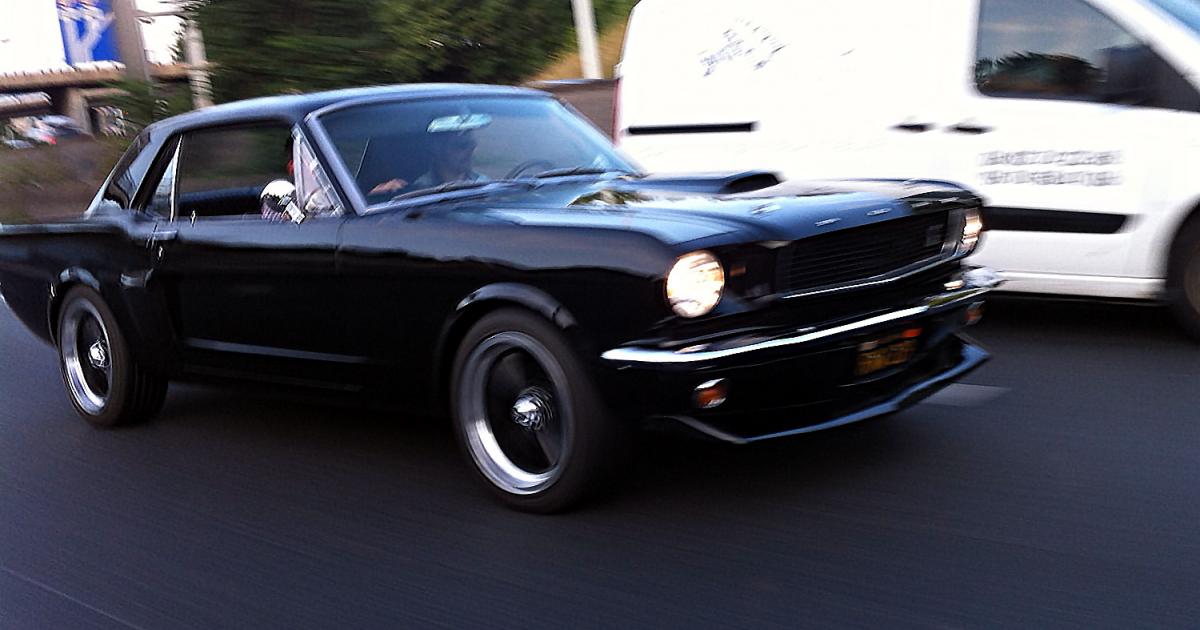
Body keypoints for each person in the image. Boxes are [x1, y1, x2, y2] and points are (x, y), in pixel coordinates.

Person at [368, 129, 488, 196]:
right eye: (461, 146)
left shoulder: (486, 183)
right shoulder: (418, 193)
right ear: (436, 149)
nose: (470, 151)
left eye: (472, 145)